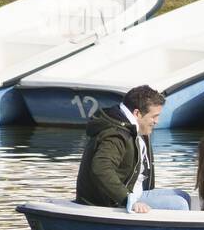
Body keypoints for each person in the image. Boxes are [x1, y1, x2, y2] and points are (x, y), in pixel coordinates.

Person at [75, 85, 190, 213]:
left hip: (133, 193)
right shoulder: (116, 134)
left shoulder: (137, 128)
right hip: (110, 201)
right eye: (154, 116)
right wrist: (127, 199)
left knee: (183, 196)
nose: (157, 121)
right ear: (137, 113)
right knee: (179, 204)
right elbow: (101, 168)